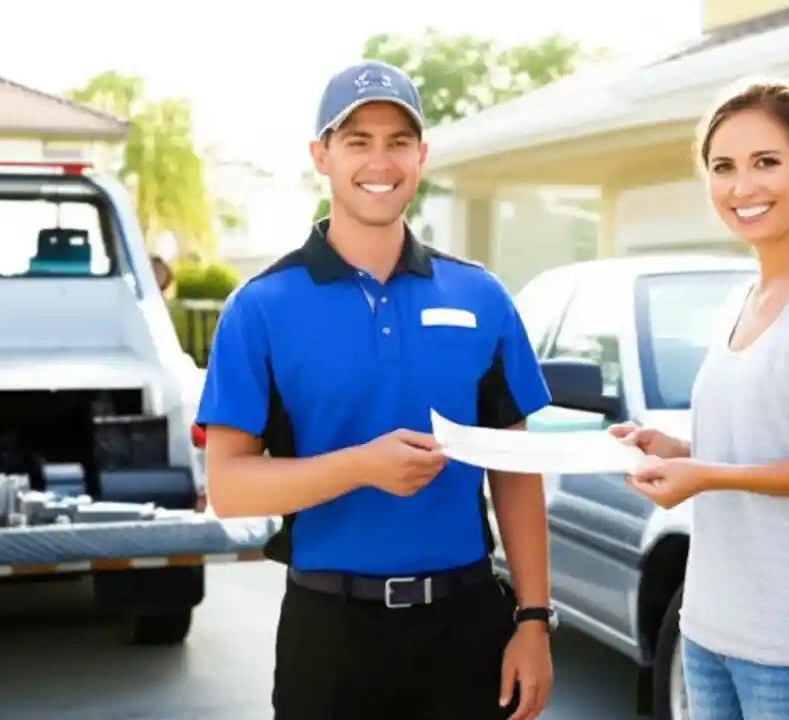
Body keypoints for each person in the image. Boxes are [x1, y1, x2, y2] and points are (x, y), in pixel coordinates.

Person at [195, 59, 556, 720]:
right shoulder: (260, 307)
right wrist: (364, 467)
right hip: (329, 633)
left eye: (397, 142)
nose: (379, 161)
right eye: (357, 141)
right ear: (321, 156)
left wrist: (533, 619)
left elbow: (515, 473)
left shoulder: (480, 294)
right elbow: (230, 487)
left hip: (466, 624)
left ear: (421, 156)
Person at [610, 77, 789, 719]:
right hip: (710, 628)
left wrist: (704, 472)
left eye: (766, 162)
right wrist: (678, 450)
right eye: (723, 168)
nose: (743, 187)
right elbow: (770, 446)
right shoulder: (744, 297)